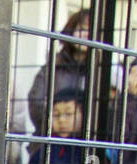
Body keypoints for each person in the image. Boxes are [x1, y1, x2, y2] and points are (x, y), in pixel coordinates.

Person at [27, 9, 93, 140]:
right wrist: (58, 123)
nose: (86, 34)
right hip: (51, 139)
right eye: (82, 28)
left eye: (90, 31)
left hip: (87, 141)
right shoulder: (52, 66)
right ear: (71, 30)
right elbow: (36, 103)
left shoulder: (102, 71)